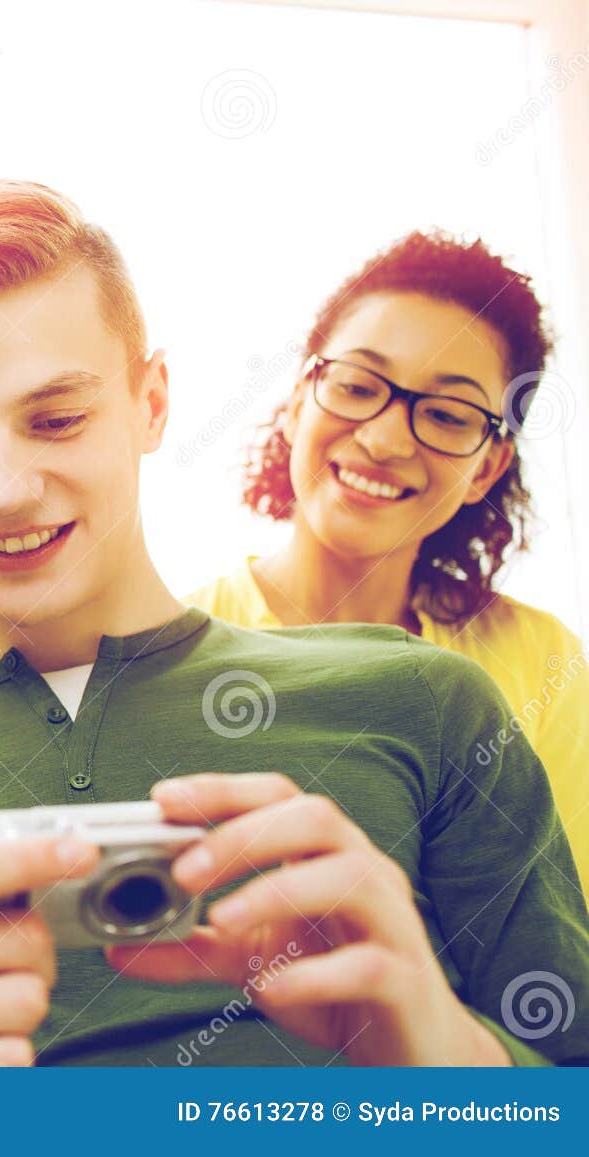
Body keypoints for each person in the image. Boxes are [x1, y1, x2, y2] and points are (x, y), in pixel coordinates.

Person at [0, 180, 589, 1067]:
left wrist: (458, 1061)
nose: (2, 489)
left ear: (151, 402)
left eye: (57, 417)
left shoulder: (425, 703)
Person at [186, 231, 588, 877]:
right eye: (356, 384)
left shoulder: (542, 664)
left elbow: (565, 943)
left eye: (449, 414)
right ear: (296, 402)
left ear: (487, 467)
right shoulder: (169, 647)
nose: (383, 439)